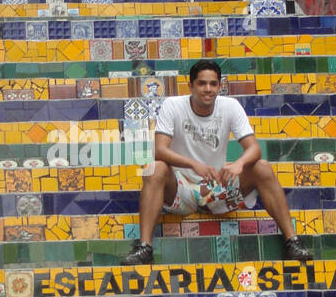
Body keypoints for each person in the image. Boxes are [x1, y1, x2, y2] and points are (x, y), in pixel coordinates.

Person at [124, 60, 313, 265]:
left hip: (216, 190)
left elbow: (254, 149)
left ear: (219, 86)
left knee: (262, 166)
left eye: (213, 84)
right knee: (155, 168)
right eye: (202, 84)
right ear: (191, 86)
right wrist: (193, 164)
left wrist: (239, 164)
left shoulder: (230, 106)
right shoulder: (173, 105)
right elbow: (159, 150)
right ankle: (144, 247)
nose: (208, 89)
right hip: (181, 189)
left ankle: (292, 242)